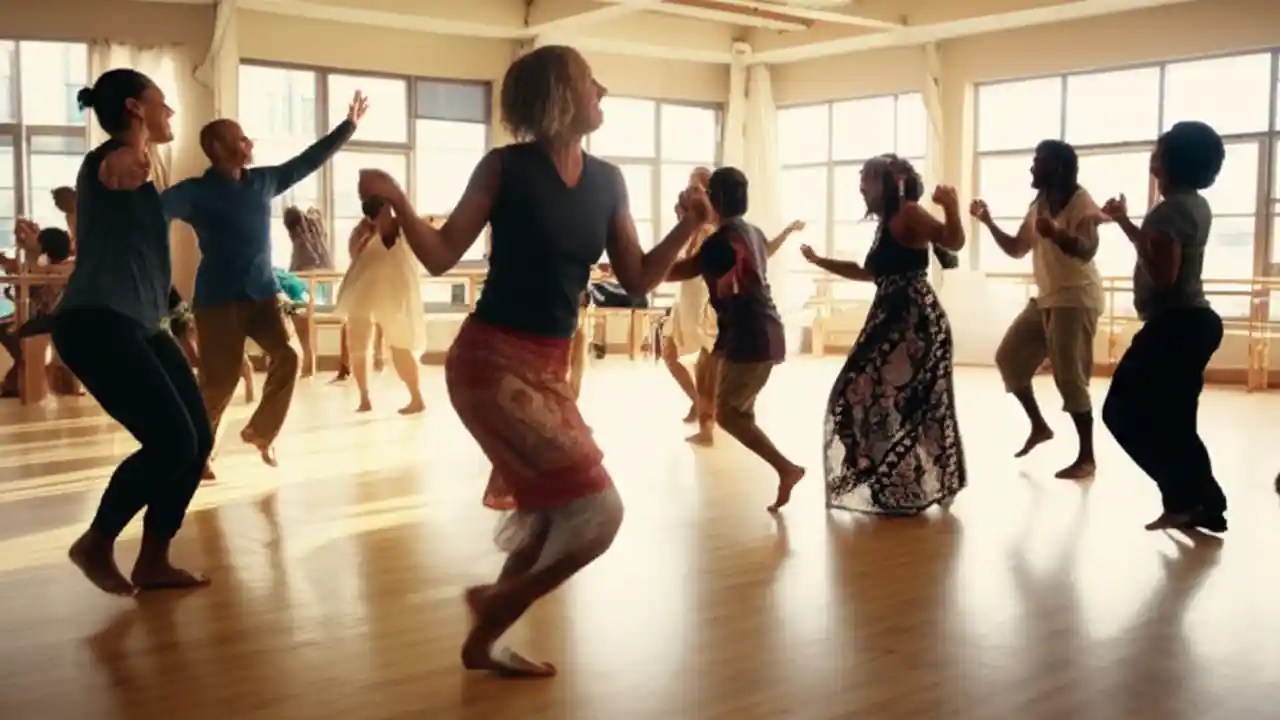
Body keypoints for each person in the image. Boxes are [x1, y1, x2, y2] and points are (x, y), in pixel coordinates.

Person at [357, 44, 705, 678]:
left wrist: (686, 227)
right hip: (489, 362)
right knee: (600, 511)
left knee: (552, 515)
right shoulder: (504, 168)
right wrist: (400, 200)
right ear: (559, 94)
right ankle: (502, 599)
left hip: (548, 366)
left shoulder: (608, 181)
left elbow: (635, 278)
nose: (604, 90)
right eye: (588, 80)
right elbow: (439, 255)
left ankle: (481, 642)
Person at [52, 69, 212, 595]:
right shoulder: (110, 161)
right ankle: (95, 542)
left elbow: (145, 262)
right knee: (170, 440)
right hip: (97, 320)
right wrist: (131, 159)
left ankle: (154, 561)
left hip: (142, 323)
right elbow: (114, 171)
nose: (170, 113)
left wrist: (180, 320)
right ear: (135, 108)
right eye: (162, 104)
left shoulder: (146, 173)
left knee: (198, 438)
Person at [161, 92, 366, 470]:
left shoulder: (264, 181)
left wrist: (348, 127)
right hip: (218, 301)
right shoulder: (196, 192)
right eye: (241, 139)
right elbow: (158, 209)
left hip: (263, 294)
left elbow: (308, 161)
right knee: (219, 384)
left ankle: (261, 432)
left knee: (290, 355)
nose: (249, 143)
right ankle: (198, 451)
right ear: (217, 147)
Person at [802, 154, 966, 515]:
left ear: (890, 182)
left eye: (868, 179)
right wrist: (819, 262)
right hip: (891, 318)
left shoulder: (909, 212)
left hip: (915, 323)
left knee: (906, 402)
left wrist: (952, 208)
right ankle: (895, 480)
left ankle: (921, 482)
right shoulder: (888, 222)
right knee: (869, 396)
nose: (861, 187)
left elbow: (951, 241)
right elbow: (868, 272)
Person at [1100, 121, 1227, 533]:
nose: (1152, 157)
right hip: (1194, 324)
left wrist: (1145, 238)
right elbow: (1159, 247)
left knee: (1121, 412)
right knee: (1176, 421)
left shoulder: (1169, 210)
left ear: (1168, 161)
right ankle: (1199, 503)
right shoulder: (1194, 205)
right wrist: (1125, 223)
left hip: (1175, 325)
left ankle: (1187, 495)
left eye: (1158, 150)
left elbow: (1165, 275)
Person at [666, 167, 806, 508]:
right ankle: (785, 470)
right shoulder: (752, 232)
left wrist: (686, 222)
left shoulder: (718, 242)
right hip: (759, 332)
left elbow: (673, 271)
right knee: (732, 406)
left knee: (727, 414)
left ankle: (787, 469)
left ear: (714, 199)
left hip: (751, 335)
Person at [971, 140, 1105, 479]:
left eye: (1038, 161)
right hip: (1047, 297)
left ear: (1058, 167)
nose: (1032, 167)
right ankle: (1039, 426)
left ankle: (1087, 458)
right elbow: (1017, 248)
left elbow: (1087, 250)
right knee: (1009, 358)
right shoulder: (1039, 204)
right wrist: (987, 222)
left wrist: (1059, 234)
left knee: (1069, 378)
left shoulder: (1081, 202)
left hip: (1075, 298)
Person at [332, 195, 425, 414]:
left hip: (391, 290)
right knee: (358, 343)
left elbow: (409, 253)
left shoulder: (401, 227)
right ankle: (365, 397)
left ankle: (416, 397)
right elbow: (355, 255)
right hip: (363, 288)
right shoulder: (363, 230)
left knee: (399, 343)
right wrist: (364, 235)